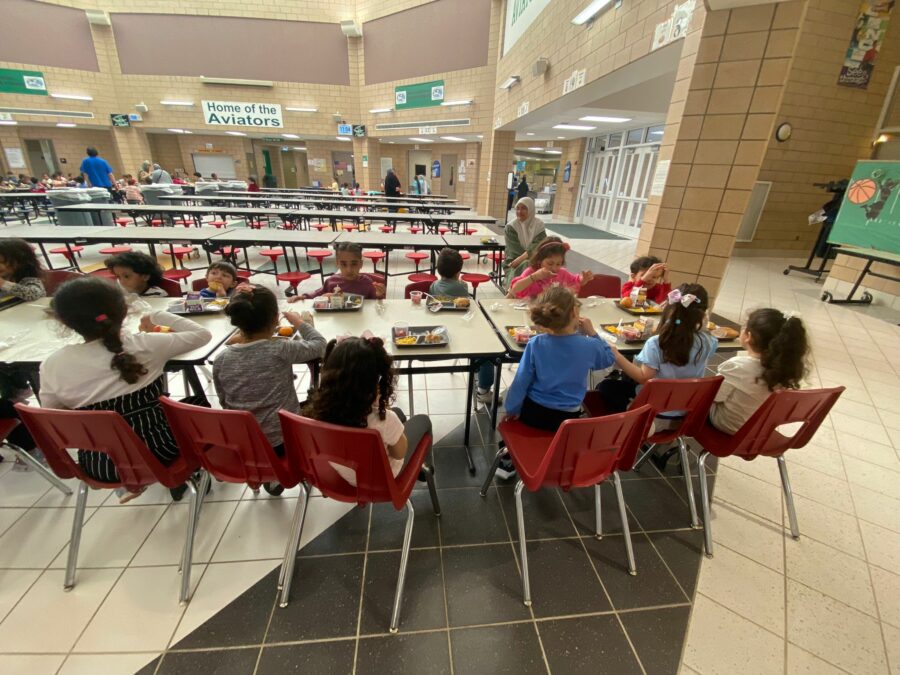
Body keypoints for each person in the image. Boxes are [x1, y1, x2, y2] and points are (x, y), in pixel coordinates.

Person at [38, 277, 212, 502]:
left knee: (123, 428)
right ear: (125, 310)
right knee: (198, 405)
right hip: (163, 452)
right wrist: (155, 315)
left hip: (101, 464)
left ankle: (135, 482)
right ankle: (186, 473)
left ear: (63, 321)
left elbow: (53, 414)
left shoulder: (53, 364)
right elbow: (202, 335)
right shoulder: (145, 345)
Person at [502, 286, 618, 477]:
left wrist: (512, 409)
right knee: (556, 437)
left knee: (523, 425)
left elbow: (521, 380)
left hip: (533, 413)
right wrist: (593, 333)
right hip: (566, 420)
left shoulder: (536, 343)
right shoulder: (589, 345)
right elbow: (607, 359)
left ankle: (510, 459)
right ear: (575, 312)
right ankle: (553, 458)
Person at [213, 286, 326, 461]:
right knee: (317, 401)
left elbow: (223, 400)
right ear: (275, 319)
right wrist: (299, 322)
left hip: (245, 445)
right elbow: (319, 345)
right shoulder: (280, 348)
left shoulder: (221, 359)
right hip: (285, 442)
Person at [303, 336, 433, 485]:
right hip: (383, 480)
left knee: (399, 414)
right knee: (423, 420)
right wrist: (382, 407)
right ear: (374, 383)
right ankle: (425, 469)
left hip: (347, 477)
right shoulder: (384, 420)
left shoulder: (317, 414)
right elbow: (399, 454)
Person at [601, 284, 718, 413]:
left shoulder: (657, 343)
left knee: (606, 386)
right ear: (703, 313)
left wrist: (617, 355)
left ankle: (630, 417)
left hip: (652, 410)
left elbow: (643, 378)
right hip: (684, 408)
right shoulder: (709, 341)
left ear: (669, 308)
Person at [710, 309, 809, 434]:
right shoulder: (786, 369)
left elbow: (712, 397)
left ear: (749, 336)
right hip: (759, 431)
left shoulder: (737, 366)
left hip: (728, 426)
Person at [429, 248, 498, 404]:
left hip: (440, 329)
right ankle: (484, 390)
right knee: (488, 349)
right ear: (458, 271)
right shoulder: (462, 287)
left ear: (438, 270)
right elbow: (468, 308)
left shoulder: (433, 285)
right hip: (461, 333)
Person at [0, 239, 46, 467]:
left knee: (36, 371)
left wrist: (5, 285)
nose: (0, 267)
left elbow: (34, 294)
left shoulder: (26, 281)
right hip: (6, 338)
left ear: (20, 263)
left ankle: (45, 409)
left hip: (30, 337)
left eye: (4, 263)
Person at [289, 242, 385, 301]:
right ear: (337, 264)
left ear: (361, 264)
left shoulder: (367, 283)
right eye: (343, 264)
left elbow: (376, 304)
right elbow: (317, 294)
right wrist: (303, 297)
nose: (349, 269)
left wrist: (380, 295)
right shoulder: (332, 281)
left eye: (354, 264)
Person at [507, 238, 594, 299]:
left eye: (558, 264)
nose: (554, 268)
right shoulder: (531, 272)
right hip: (529, 312)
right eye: (550, 263)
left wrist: (582, 279)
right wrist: (534, 277)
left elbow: (574, 281)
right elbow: (515, 288)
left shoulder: (562, 273)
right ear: (540, 260)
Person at [504, 197, 547, 279]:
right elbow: (515, 252)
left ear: (530, 209)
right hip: (513, 262)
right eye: (517, 208)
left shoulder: (539, 225)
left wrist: (521, 259)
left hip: (536, 261)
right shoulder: (511, 227)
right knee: (524, 271)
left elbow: (539, 246)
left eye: (524, 208)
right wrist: (524, 260)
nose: (519, 212)